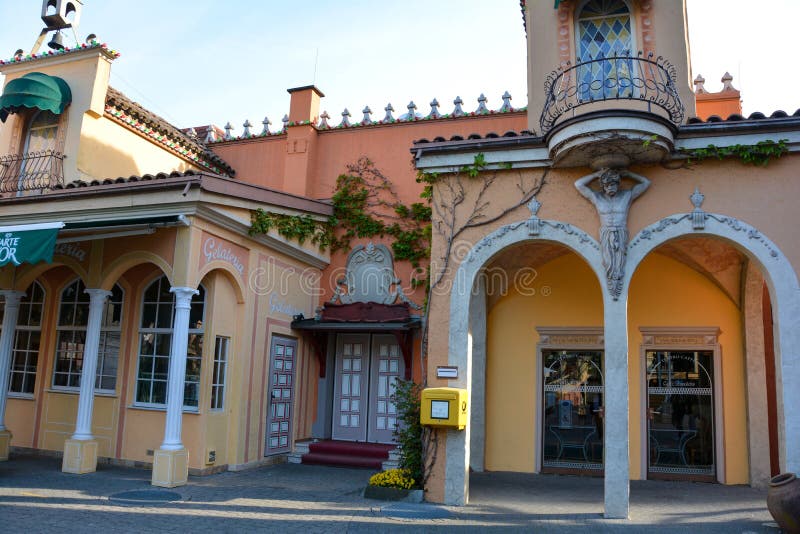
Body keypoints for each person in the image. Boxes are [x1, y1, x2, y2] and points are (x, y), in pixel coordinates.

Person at [575, 167, 651, 298]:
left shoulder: (627, 196)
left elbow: (645, 183)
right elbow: (578, 184)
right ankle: (612, 286)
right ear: (603, 186)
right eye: (608, 185)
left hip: (620, 231)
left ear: (618, 184)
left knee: (620, 263)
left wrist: (629, 173)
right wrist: (596, 174)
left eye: (614, 184)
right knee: (608, 263)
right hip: (606, 233)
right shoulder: (596, 197)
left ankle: (617, 285)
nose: (611, 187)